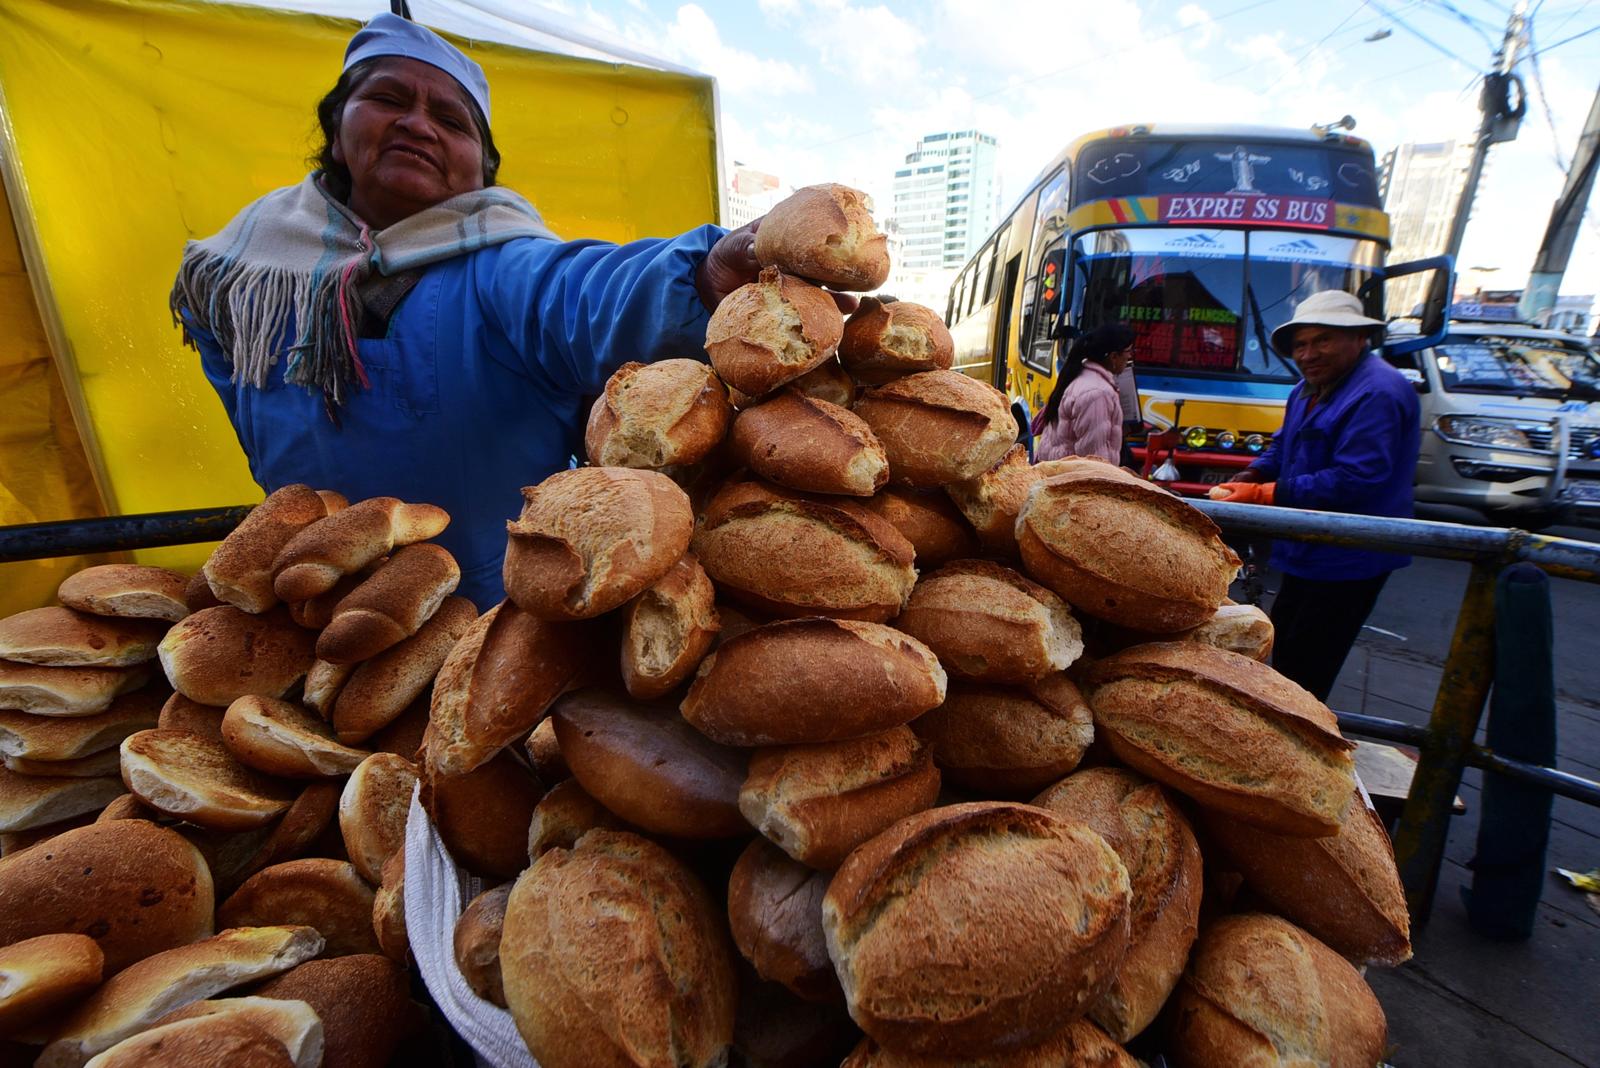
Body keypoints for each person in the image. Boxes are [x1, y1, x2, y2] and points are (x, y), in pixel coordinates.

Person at [170, 15, 802, 609]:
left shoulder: (502, 267)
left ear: (481, 170)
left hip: (489, 615)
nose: (419, 124)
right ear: (337, 131)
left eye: (450, 119)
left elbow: (587, 292)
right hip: (308, 602)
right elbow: (246, 409)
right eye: (389, 99)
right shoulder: (241, 271)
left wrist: (704, 272)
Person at [1210, 290, 1421, 701]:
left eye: (1323, 340)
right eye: (1302, 345)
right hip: (1307, 548)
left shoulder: (1378, 392)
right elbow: (1283, 446)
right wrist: (1253, 472)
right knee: (1285, 643)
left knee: (1309, 666)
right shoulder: (1307, 388)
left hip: (1350, 556)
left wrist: (1263, 493)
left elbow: (1357, 480)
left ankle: (1297, 740)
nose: (1309, 353)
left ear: (1358, 338)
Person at [1031, 325, 1136, 464]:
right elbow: (1094, 462)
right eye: (1128, 351)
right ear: (1113, 357)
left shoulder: (1082, 377)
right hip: (1069, 481)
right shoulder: (1097, 394)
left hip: (1059, 474)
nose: (1130, 356)